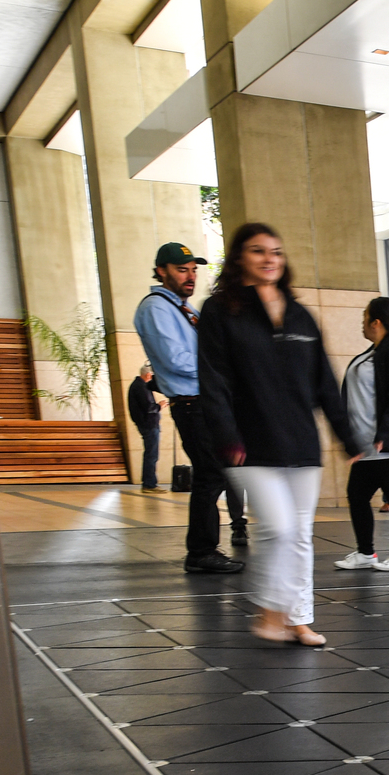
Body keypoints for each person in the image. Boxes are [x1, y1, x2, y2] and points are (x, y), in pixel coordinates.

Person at [196, 223, 355, 647]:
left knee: (299, 534)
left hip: (301, 442)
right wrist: (226, 435)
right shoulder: (220, 311)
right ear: (239, 258)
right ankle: (270, 612)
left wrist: (347, 436)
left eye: (277, 252)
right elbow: (213, 380)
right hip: (248, 445)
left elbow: (324, 381)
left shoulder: (300, 315)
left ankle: (298, 620)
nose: (270, 259)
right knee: (280, 529)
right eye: (258, 251)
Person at [132, 241, 247, 572]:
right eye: (182, 270)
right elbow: (176, 359)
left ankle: (203, 549)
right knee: (210, 474)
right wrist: (220, 366)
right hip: (192, 403)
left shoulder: (183, 308)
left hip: (205, 401)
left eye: (194, 270)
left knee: (216, 472)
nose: (190, 276)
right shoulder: (157, 308)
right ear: (161, 271)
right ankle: (200, 551)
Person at [336, 298, 389, 572]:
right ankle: (365, 553)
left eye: (365, 317)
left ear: (376, 322)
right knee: (357, 495)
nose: (361, 322)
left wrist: (385, 433)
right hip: (369, 445)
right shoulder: (372, 353)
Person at [127, 363, 164, 491]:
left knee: (150, 454)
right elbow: (149, 407)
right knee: (152, 455)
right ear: (148, 375)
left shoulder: (137, 385)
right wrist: (160, 406)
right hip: (149, 424)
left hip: (146, 424)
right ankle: (149, 484)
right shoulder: (141, 387)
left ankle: (149, 482)